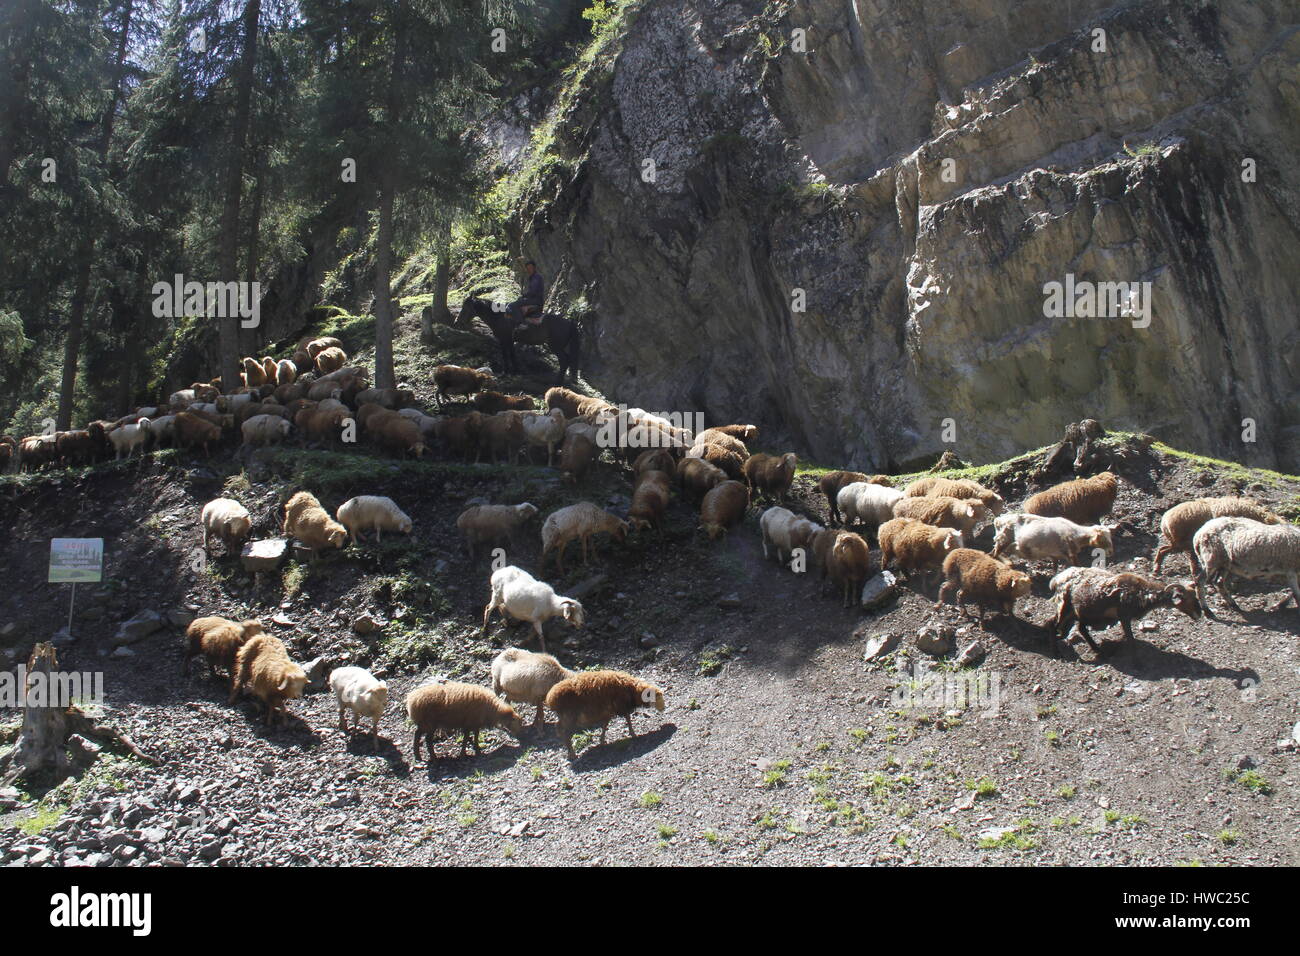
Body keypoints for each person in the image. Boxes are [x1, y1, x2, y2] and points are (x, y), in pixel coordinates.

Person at [509, 260, 545, 326]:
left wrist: (524, 296)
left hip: (535, 300)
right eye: (527, 269)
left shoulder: (536, 277)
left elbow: (533, 292)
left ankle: (522, 323)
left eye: (530, 268)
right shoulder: (533, 277)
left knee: (513, 305)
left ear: (534, 268)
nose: (529, 270)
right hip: (536, 300)